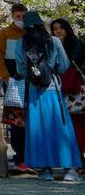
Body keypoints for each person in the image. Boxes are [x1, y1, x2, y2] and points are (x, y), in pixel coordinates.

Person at [11, 12, 81, 181]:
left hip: (33, 91)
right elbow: (64, 66)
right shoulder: (54, 41)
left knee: (37, 129)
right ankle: (69, 169)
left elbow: (20, 70)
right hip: (53, 89)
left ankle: (45, 170)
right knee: (61, 128)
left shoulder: (21, 43)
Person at [0, 2, 27, 170]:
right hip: (12, 80)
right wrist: (6, 77)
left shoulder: (30, 33)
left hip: (30, 81)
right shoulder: (4, 33)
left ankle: (31, 153)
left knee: (30, 117)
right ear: (12, 16)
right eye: (17, 17)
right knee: (16, 118)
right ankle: (19, 154)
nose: (20, 19)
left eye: (23, 16)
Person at [51, 18, 85, 166]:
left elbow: (71, 63)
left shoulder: (76, 44)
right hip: (61, 89)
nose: (58, 31)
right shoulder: (52, 46)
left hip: (77, 90)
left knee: (80, 125)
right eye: (55, 29)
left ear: (67, 29)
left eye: (61, 28)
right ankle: (77, 160)